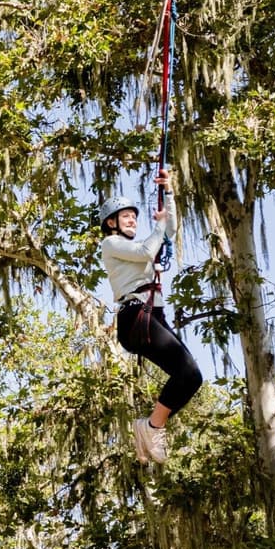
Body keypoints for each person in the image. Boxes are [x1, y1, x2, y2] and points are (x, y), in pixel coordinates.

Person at [100, 169, 202, 464]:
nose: (132, 219)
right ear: (111, 223)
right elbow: (147, 250)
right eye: (125, 216)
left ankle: (153, 427)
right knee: (186, 372)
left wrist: (168, 192)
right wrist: (157, 229)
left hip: (153, 315)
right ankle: (152, 427)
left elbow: (169, 231)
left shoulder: (135, 245)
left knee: (191, 376)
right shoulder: (111, 244)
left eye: (134, 215)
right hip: (135, 317)